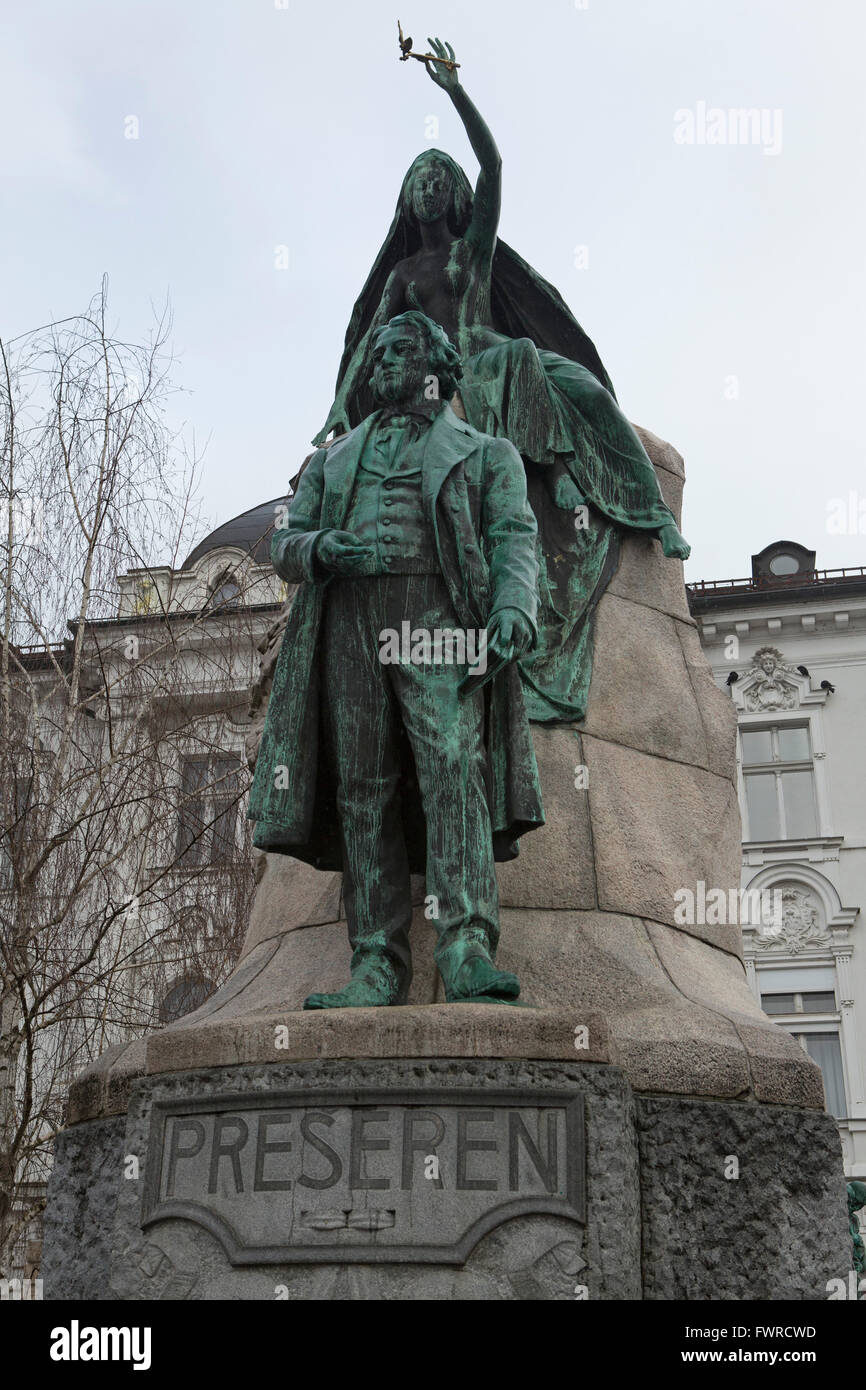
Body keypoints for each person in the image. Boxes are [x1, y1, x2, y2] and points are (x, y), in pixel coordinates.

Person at [314, 38, 690, 722]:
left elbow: (493, 164)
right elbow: (371, 347)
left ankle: (648, 508)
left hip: (494, 359)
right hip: (458, 374)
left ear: (453, 193)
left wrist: (456, 92)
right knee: (517, 358)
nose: (429, 186)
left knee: (582, 388)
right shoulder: (402, 277)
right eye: (418, 179)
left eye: (438, 176)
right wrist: (337, 415)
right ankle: (563, 472)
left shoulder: (471, 251)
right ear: (405, 199)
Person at [247, 311, 544, 1009]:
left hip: (437, 614)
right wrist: (319, 549)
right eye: (378, 351)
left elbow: (513, 535)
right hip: (349, 616)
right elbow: (284, 545)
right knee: (362, 785)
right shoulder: (331, 458)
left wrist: (511, 608)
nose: (383, 360)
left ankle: (466, 946)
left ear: (435, 363)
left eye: (401, 349)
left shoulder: (486, 451)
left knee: (451, 770)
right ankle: (376, 961)